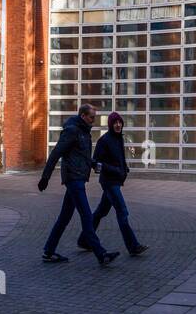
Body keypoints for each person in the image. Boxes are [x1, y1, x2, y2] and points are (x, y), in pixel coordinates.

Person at [38, 103, 119, 266]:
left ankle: (49, 251)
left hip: (79, 177)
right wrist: (45, 177)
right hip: (73, 179)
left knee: (64, 218)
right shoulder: (72, 130)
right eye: (91, 117)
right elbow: (56, 153)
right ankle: (101, 254)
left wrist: (93, 163)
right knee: (87, 216)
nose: (93, 121)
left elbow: (81, 155)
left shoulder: (84, 132)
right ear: (83, 116)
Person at [79, 111, 148, 257]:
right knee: (122, 212)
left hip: (116, 180)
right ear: (110, 125)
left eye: (120, 122)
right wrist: (115, 169)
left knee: (100, 212)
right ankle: (133, 246)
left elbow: (119, 158)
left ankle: (84, 240)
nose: (118, 125)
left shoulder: (119, 138)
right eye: (115, 123)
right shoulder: (104, 141)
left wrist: (124, 168)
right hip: (109, 182)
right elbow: (95, 162)